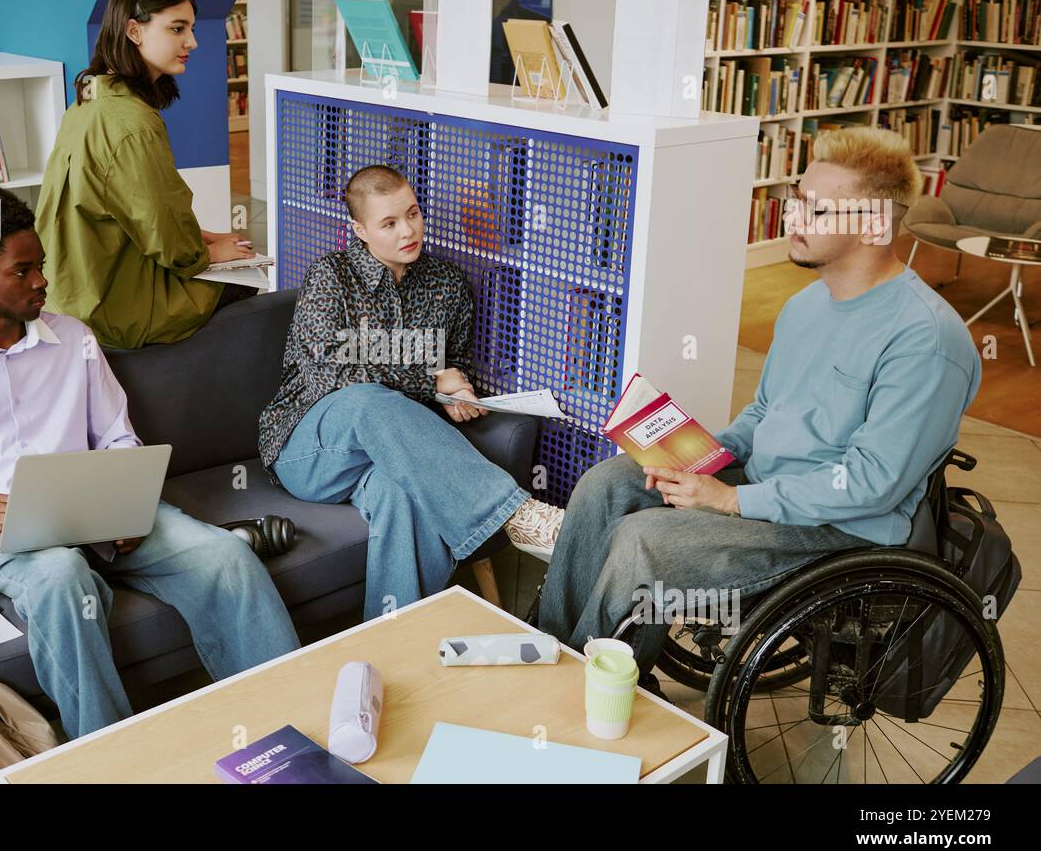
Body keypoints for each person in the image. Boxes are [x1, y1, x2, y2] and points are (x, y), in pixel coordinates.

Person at [538, 127, 981, 695]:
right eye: (797, 200)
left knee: (647, 541)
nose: (793, 219)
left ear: (873, 224)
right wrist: (702, 457)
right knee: (607, 483)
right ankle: (549, 654)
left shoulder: (926, 340)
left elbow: (873, 484)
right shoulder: (806, 306)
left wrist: (731, 499)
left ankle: (588, 696)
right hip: (768, 492)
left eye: (816, 210)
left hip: (839, 530)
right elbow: (768, 410)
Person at [0, 186, 299, 739]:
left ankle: (285, 728)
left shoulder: (73, 340)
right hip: (3, 542)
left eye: (40, 266)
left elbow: (118, 436)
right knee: (64, 577)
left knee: (226, 560)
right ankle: (105, 759)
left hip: (102, 520)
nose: (41, 281)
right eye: (21, 272)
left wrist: (123, 502)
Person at [258, 165, 566, 621]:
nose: (408, 230)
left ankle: (391, 637)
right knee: (367, 398)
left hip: (391, 449)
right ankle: (516, 516)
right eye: (389, 223)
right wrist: (430, 380)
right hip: (310, 446)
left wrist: (455, 390)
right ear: (360, 230)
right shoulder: (331, 276)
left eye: (413, 214)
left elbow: (448, 365)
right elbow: (333, 369)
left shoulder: (447, 286)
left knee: (402, 497)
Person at [35, 0, 255, 350]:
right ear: (134, 31)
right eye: (177, 29)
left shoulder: (90, 99)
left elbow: (129, 210)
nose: (193, 42)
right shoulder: (132, 124)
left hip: (72, 291)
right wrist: (205, 255)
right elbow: (167, 238)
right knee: (245, 282)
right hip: (112, 306)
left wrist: (203, 238)